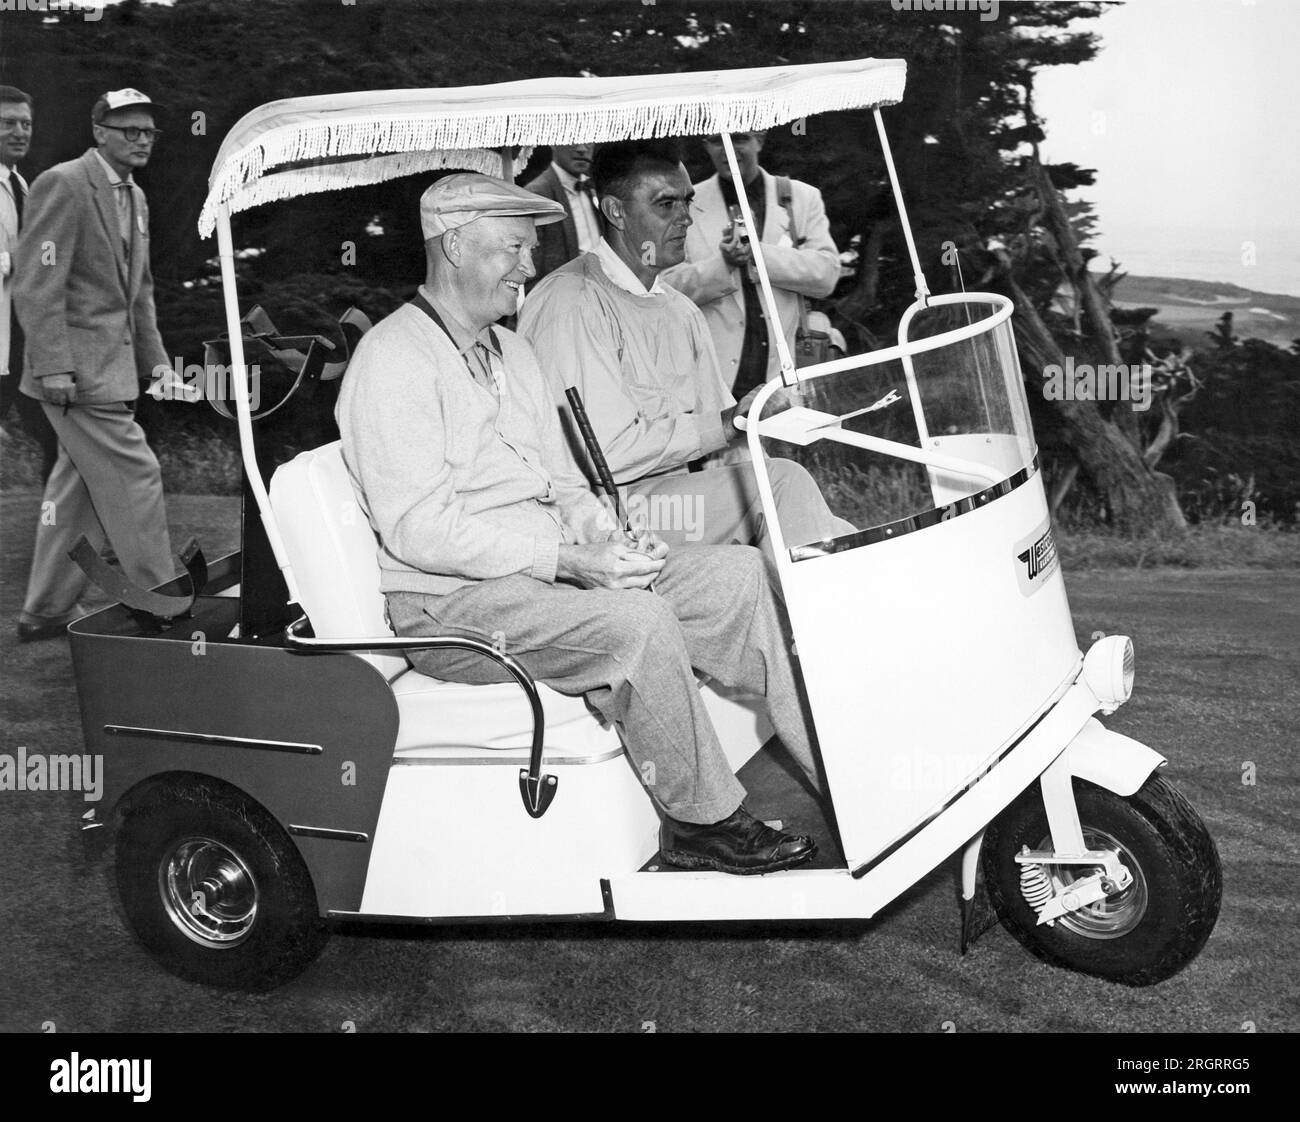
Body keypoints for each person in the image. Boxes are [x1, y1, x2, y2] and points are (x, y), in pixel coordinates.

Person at [336, 171, 820, 875]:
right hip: (450, 608)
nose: (530, 267)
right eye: (512, 250)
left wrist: (605, 536)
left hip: (535, 585)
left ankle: (841, 769)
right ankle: (704, 824)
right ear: (454, 247)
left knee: (739, 576)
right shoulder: (393, 359)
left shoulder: (510, 351)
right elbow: (419, 531)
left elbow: (560, 482)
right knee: (637, 622)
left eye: (531, 250)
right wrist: (568, 560)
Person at [517, 139, 853, 562]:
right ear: (615, 211)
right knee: (784, 486)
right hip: (600, 512)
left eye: (687, 202)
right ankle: (809, 620)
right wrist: (731, 426)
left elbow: (728, 430)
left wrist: (755, 424)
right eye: (665, 205)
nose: (685, 220)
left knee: (844, 533)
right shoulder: (571, 301)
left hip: (667, 503)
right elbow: (600, 456)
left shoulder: (680, 310)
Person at [13, 89, 177, 642]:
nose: (141, 139)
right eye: (128, 129)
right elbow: (37, 284)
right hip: (76, 376)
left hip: (114, 370)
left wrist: (156, 364)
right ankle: (162, 603)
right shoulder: (62, 183)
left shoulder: (135, 196)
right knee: (137, 477)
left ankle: (44, 613)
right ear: (99, 132)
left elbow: (141, 292)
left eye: (148, 131)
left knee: (75, 494)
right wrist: (54, 366)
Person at [662, 130, 841, 399]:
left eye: (739, 138)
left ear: (760, 140)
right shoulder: (685, 203)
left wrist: (760, 255)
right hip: (718, 377)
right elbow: (667, 290)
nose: (728, 149)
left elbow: (826, 275)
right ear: (706, 147)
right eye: (716, 141)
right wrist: (724, 263)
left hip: (785, 370)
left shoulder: (800, 197)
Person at [0, 85, 57, 482]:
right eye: (8, 123)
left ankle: (59, 537)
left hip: (27, 344)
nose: (20, 131)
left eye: (26, 123)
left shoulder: (26, 186)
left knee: (57, 441)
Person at [523, 144, 601, 286]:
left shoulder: (595, 186)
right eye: (573, 139)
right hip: (562, 295)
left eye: (588, 140)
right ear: (554, 143)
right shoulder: (536, 194)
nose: (582, 149)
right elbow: (529, 270)